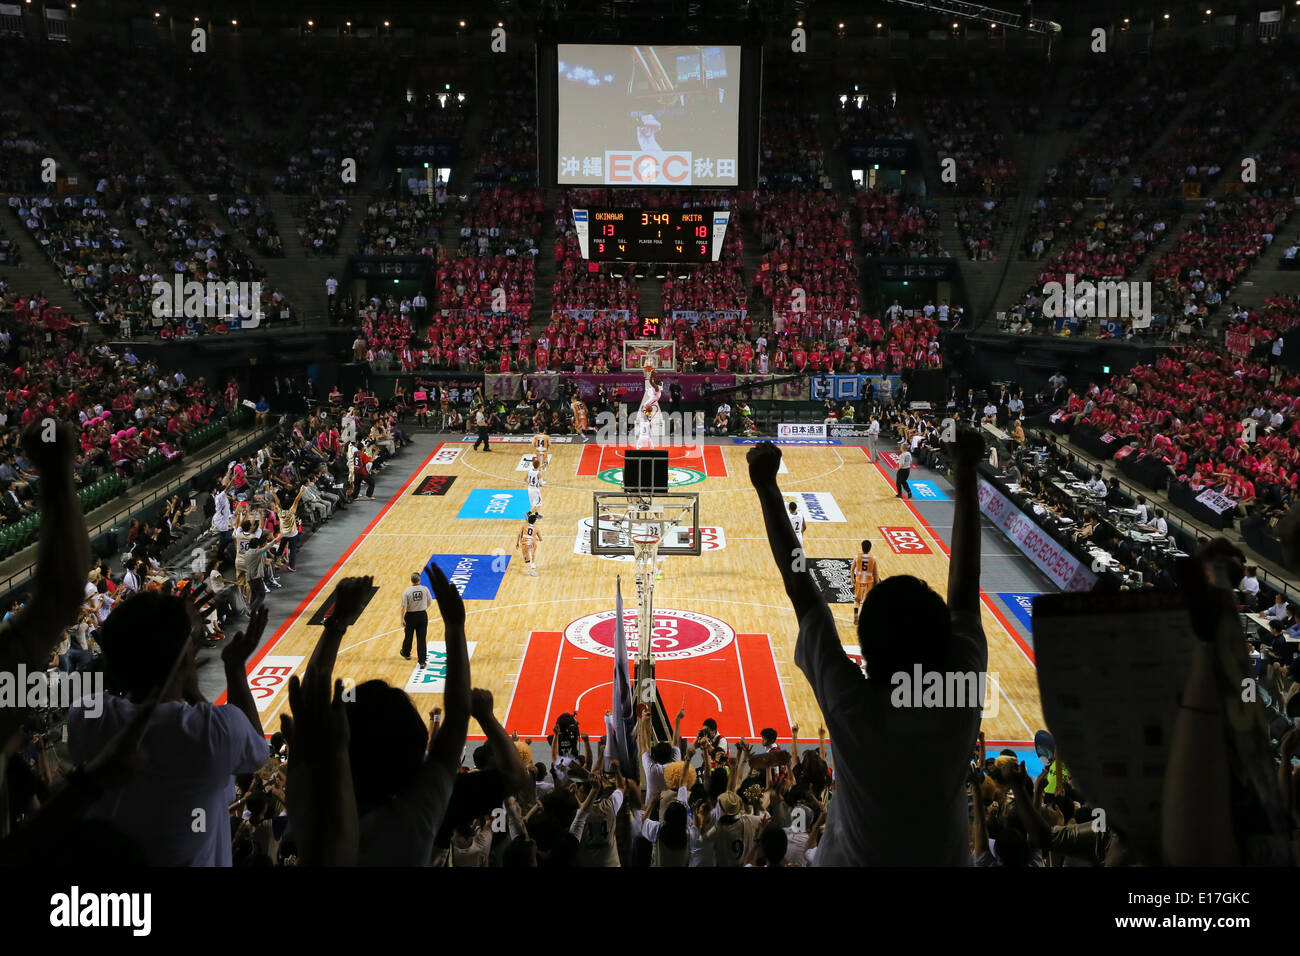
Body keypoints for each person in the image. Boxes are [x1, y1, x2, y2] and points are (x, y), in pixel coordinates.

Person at [746, 427, 988, 865]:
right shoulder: (959, 699)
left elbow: (803, 593)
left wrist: (766, 485)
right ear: (943, 644)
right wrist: (967, 472)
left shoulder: (853, 707)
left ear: (867, 648)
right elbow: (967, 596)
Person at [69, 598, 271, 866]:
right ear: (186, 657)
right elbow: (258, 751)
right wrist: (233, 670)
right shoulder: (214, 730)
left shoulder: (84, 717)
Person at [400, 571, 433, 668]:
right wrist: (423, 608)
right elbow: (430, 601)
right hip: (422, 615)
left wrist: (402, 618)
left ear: (411, 580)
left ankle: (406, 652)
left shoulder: (407, 591)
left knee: (408, 635)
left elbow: (403, 607)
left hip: (410, 616)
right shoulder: (425, 589)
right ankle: (422, 661)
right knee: (421, 638)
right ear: (419, 580)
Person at [851, 539, 881, 626]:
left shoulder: (857, 557)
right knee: (867, 602)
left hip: (859, 581)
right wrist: (878, 584)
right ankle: (866, 619)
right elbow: (876, 573)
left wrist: (852, 578)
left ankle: (856, 616)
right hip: (869, 582)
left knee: (857, 601)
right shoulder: (873, 558)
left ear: (862, 547)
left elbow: (852, 569)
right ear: (870, 548)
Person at [637, 364, 662, 450]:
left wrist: (651, 375)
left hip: (655, 396)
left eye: (657, 379)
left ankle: (648, 411)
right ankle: (651, 447)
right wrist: (653, 374)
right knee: (649, 391)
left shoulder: (657, 387)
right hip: (653, 392)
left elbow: (652, 382)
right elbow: (653, 381)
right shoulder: (658, 382)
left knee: (645, 405)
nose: (657, 379)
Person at [517, 512, 542, 577]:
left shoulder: (524, 526)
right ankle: (532, 564)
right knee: (532, 553)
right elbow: (541, 539)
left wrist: (517, 543)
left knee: (526, 559)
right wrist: (536, 538)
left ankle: (530, 567)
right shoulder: (536, 529)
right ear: (534, 521)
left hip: (524, 544)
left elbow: (519, 535)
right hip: (532, 544)